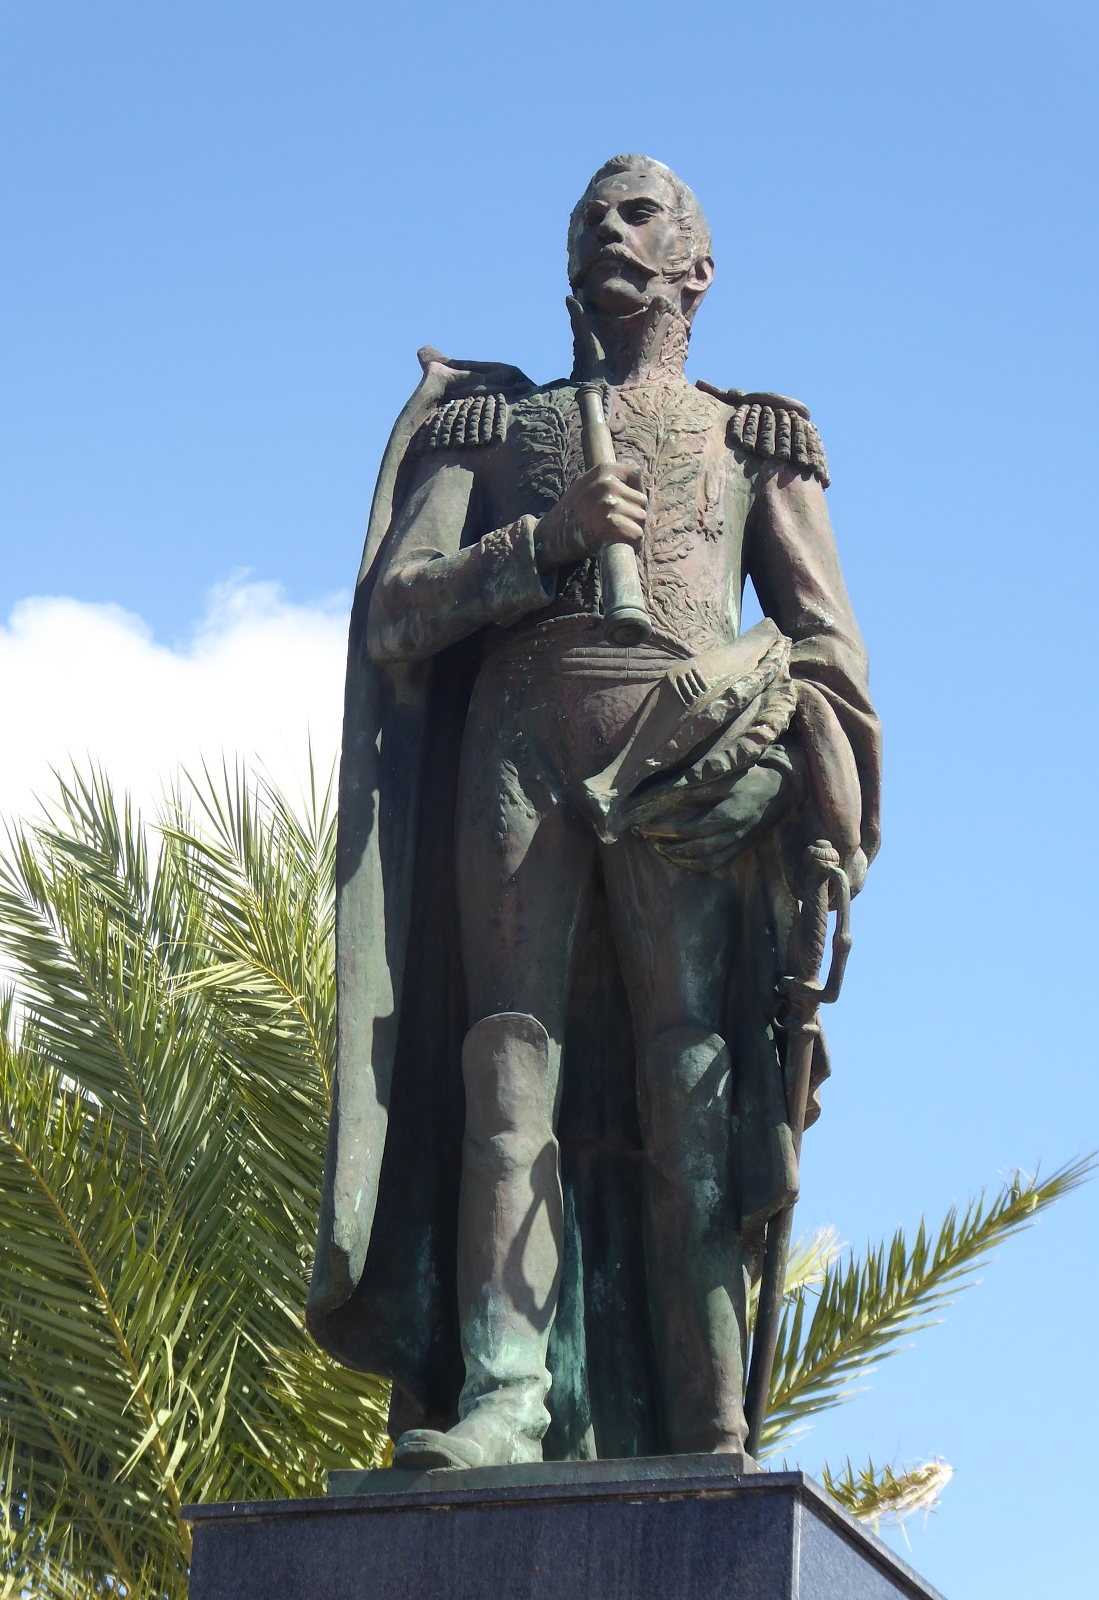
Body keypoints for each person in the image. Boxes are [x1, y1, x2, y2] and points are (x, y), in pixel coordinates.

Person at [306, 155, 880, 1469]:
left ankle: (709, 1416)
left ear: (697, 266)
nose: (606, 235)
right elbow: (397, 613)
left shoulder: (754, 440)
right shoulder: (493, 432)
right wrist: (544, 541)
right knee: (506, 1068)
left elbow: (825, 650)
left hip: (684, 755)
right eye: (588, 220)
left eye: (638, 217)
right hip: (520, 747)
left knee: (694, 1081)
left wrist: (830, 809)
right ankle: (505, 1398)